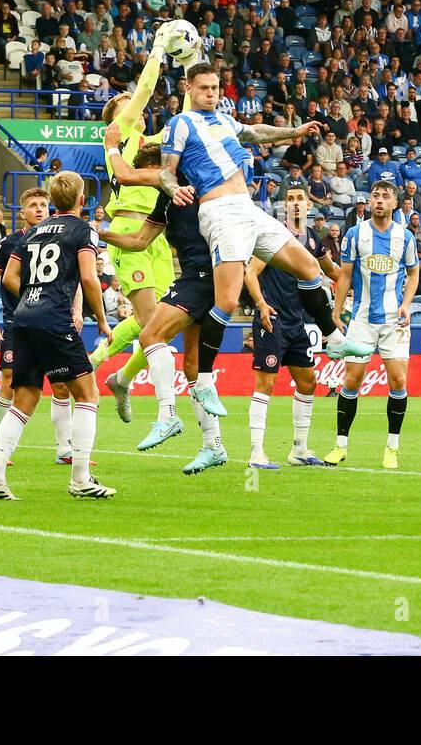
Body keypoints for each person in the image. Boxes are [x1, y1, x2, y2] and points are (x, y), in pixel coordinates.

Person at [148, 59, 369, 425]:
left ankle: (332, 337)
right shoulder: (180, 124)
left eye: (215, 88)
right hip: (219, 211)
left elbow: (256, 132)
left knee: (308, 265)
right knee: (229, 300)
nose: (211, 94)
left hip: (247, 208)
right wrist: (175, 189)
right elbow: (165, 171)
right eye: (203, 88)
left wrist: (294, 131)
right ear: (188, 89)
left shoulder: (223, 120)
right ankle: (203, 382)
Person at [0, 171, 114, 499]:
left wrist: (33, 294)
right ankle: (80, 479)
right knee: (87, 394)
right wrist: (101, 318)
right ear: (82, 200)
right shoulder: (83, 230)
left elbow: (9, 277)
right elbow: (89, 277)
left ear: (53, 202)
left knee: (24, 399)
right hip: (55, 320)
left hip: (23, 318)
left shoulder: (33, 232)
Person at [97, 144, 228, 475]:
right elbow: (140, 241)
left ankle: (167, 415)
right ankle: (213, 445)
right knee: (194, 366)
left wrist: (112, 145)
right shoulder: (167, 200)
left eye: (152, 172)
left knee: (151, 332)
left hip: (205, 275)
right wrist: (103, 234)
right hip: (202, 277)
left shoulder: (199, 188)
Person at [86, 33, 178, 393]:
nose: (135, 108)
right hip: (127, 227)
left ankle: (114, 372)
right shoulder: (119, 133)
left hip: (158, 233)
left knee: (160, 321)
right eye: (126, 105)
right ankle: (162, 404)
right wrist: (157, 52)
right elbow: (142, 92)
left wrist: (189, 64)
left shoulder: (151, 143)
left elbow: (185, 119)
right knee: (150, 318)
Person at [0, 187, 82, 464]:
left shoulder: (61, 238)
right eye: (33, 205)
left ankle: (65, 450)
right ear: (22, 212)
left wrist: (77, 309)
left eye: (43, 204)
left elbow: (75, 277)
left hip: (54, 321)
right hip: (18, 322)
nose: (39, 209)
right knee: (10, 382)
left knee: (61, 384)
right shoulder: (11, 243)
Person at [323, 181, 419, 469]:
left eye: (385, 196)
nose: (379, 200)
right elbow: (345, 275)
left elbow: (413, 274)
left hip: (394, 319)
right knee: (351, 380)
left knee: (398, 381)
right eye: (375, 195)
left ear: (394, 204)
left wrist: (406, 304)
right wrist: (337, 311)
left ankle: (392, 446)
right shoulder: (355, 234)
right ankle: (340, 446)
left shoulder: (405, 237)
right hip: (362, 318)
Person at [242, 185, 339, 469]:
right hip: (271, 319)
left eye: (300, 199)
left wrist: (359, 271)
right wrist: (260, 304)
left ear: (309, 207)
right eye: (291, 199)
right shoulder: (273, 236)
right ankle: (256, 452)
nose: (295, 204)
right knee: (266, 384)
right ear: (285, 206)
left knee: (308, 382)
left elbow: (333, 271)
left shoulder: (313, 241)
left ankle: (299, 449)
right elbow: (250, 273)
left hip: (297, 323)